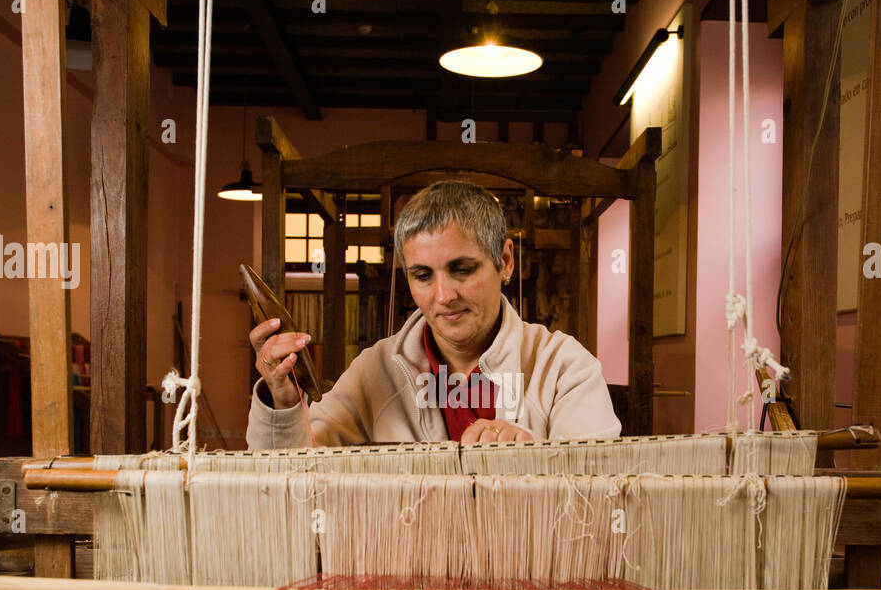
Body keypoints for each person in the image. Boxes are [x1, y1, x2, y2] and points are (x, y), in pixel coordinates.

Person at [246, 179, 620, 448]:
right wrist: (283, 402)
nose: (444, 296)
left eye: (463, 269)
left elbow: (597, 497)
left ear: (505, 262)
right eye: (423, 275)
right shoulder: (375, 371)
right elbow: (296, 476)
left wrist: (532, 457)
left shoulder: (565, 368)